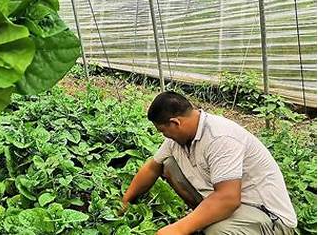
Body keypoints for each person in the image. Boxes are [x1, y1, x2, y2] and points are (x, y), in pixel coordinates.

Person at [121, 91, 297, 235]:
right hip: (232, 202)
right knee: (168, 164)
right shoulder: (178, 139)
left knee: (217, 232)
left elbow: (228, 199)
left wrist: (179, 228)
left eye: (163, 131)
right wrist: (125, 201)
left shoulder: (220, 137)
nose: (163, 136)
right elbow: (152, 167)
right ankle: (203, 219)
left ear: (175, 123)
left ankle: (207, 223)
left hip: (268, 216)